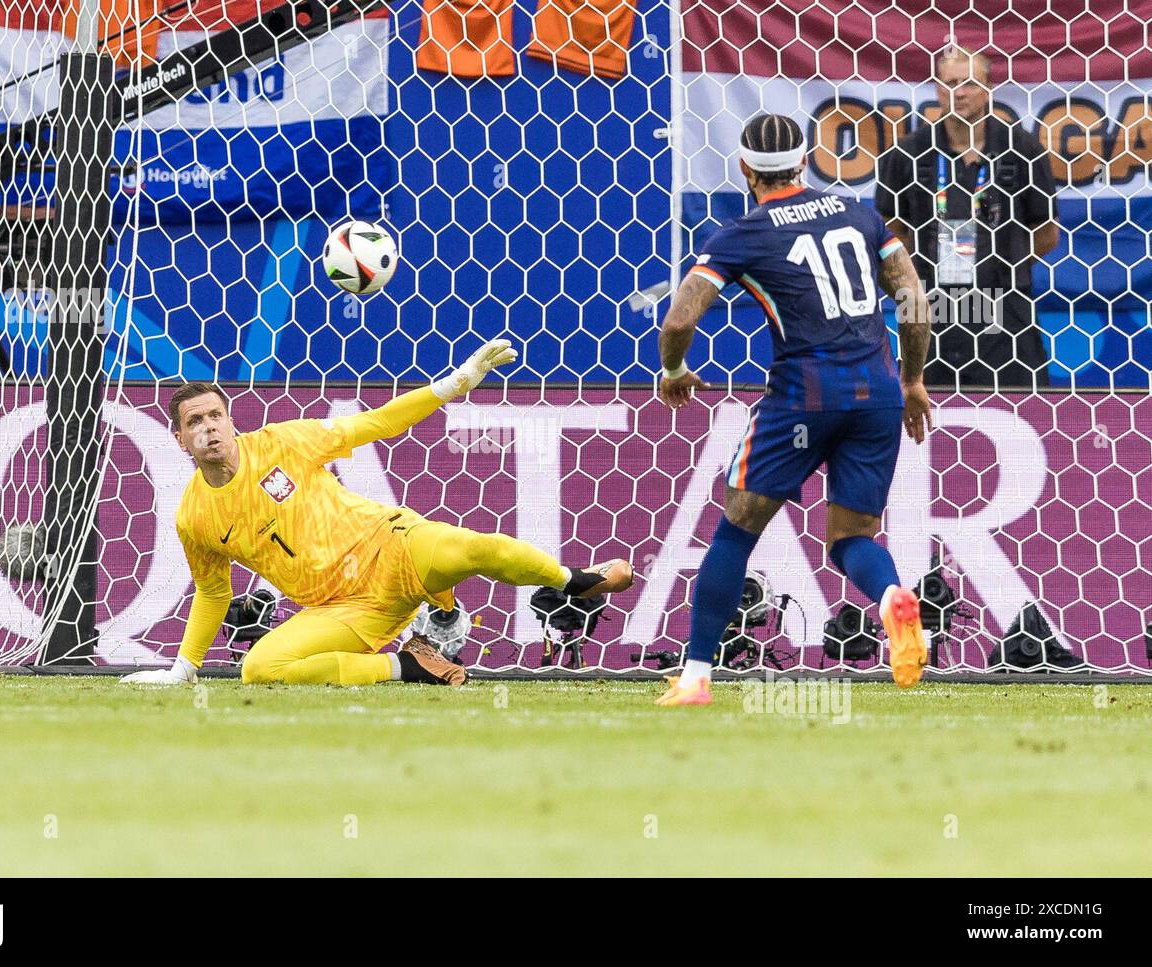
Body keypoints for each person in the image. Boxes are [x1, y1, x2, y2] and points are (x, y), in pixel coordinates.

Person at [121, 339, 633, 687]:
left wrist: (455, 383)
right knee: (261, 669)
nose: (209, 428)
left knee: (477, 548)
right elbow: (213, 592)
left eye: (216, 416)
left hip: (392, 547)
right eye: (195, 422)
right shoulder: (194, 516)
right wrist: (182, 669)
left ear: (232, 423)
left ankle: (577, 580)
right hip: (343, 609)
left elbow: (378, 423)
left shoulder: (284, 442)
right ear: (179, 438)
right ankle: (406, 667)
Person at [655, 113, 934, 706]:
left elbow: (679, 317)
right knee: (852, 538)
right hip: (877, 392)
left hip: (803, 397)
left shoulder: (742, 233)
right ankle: (892, 600)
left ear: (745, 169)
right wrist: (911, 380)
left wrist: (676, 370)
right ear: (805, 163)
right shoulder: (859, 214)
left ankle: (696, 677)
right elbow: (912, 293)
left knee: (736, 530)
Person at [876, 46, 1059, 390]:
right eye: (949, 83)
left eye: (969, 84)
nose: (958, 93)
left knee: (1018, 407)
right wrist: (918, 270)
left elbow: (1047, 233)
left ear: (988, 87)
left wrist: (1000, 265)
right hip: (929, 307)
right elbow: (890, 228)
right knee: (925, 415)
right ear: (936, 90)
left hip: (1003, 310)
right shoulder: (908, 153)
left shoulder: (1022, 150)